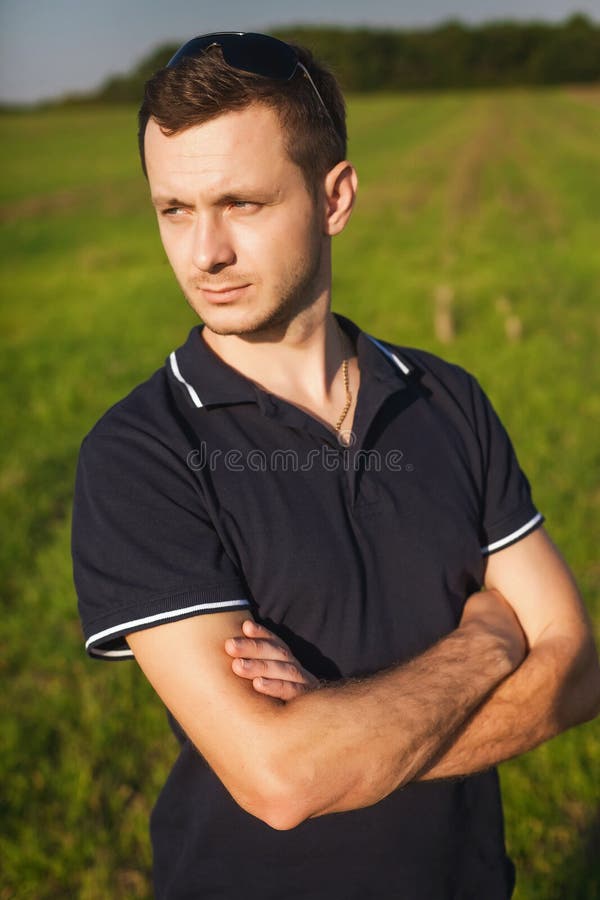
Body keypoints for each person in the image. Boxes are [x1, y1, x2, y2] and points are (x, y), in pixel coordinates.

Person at [72, 32, 600, 899]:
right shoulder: (141, 454)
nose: (203, 252)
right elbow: (281, 781)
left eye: (240, 203)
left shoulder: (446, 400)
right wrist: (487, 641)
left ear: (336, 197)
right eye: (174, 209)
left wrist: (350, 746)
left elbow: (575, 669)